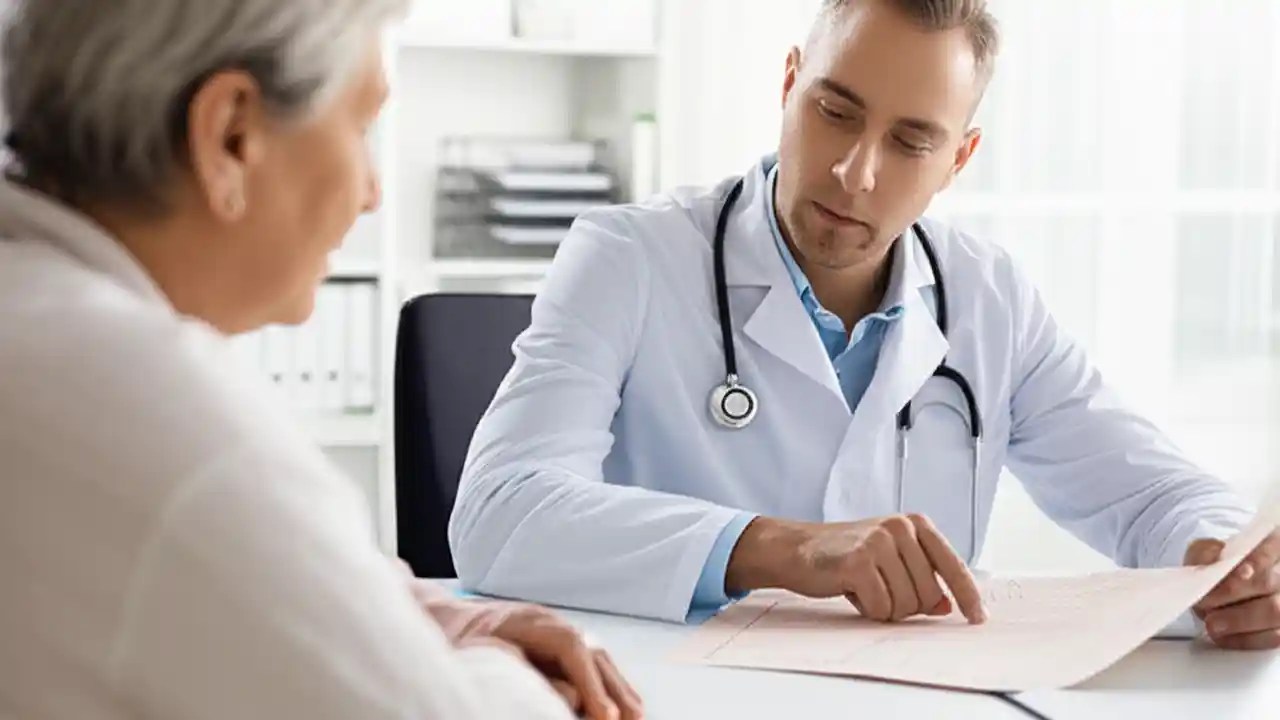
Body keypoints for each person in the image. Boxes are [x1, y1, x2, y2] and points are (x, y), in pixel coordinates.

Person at [450, 0, 1280, 651]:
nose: (855, 173)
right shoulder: (629, 258)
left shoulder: (988, 298)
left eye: (911, 143)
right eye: (835, 112)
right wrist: (787, 550)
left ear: (958, 160)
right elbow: (499, 513)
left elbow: (1158, 496)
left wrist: (1230, 565)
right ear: (789, 84)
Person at [0, 1, 643, 718]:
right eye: (360, 127)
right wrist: (498, 669)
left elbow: (238, 566)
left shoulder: (39, 322)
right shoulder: (154, 413)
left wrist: (443, 622)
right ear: (232, 136)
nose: (372, 193)